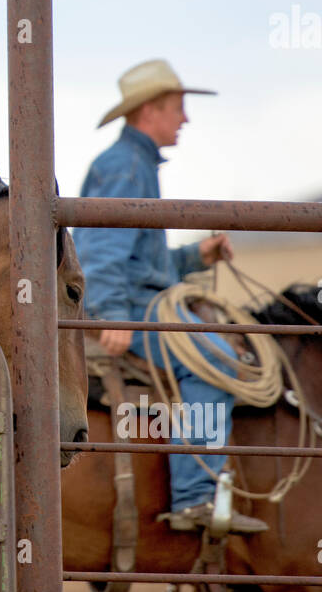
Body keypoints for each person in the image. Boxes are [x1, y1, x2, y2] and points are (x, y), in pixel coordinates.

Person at [73, 59, 268, 535]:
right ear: (151, 110)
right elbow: (99, 253)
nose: (185, 118)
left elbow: (144, 263)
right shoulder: (123, 167)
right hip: (135, 313)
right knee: (215, 357)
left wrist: (196, 257)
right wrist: (113, 317)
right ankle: (195, 497)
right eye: (179, 108)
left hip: (142, 304)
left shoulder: (133, 165)